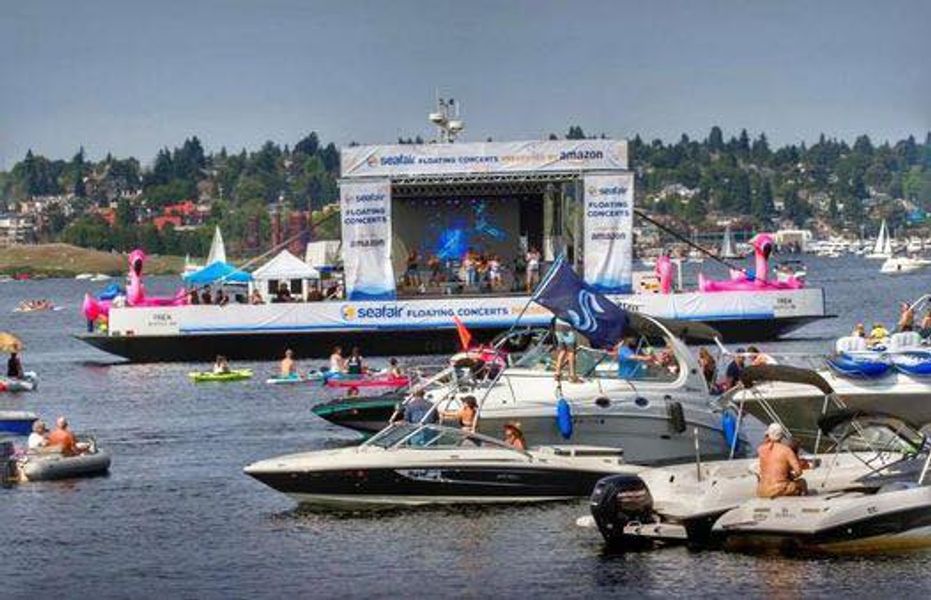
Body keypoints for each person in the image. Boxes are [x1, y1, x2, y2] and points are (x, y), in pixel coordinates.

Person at [757, 422, 808, 498]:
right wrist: (792, 476)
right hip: (779, 489)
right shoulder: (786, 451)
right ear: (782, 436)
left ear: (768, 435)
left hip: (762, 491)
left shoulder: (761, 449)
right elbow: (798, 471)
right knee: (802, 482)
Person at [553, 319, 581, 383]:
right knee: (571, 352)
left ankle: (557, 374)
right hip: (568, 329)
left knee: (562, 351)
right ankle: (572, 376)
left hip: (558, 327)